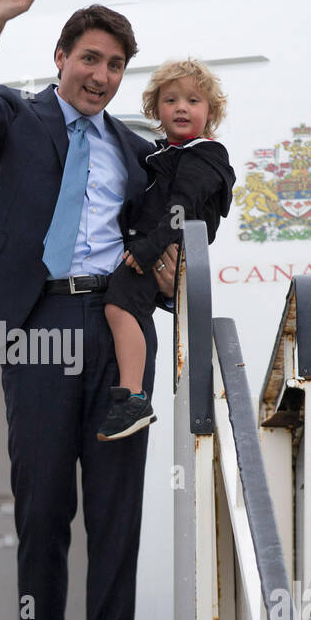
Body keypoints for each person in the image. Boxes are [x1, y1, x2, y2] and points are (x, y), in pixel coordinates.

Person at [0, 0, 178, 620]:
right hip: (39, 328)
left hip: (116, 330)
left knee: (116, 515)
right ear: (61, 59)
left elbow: (173, 226)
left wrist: (169, 268)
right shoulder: (14, 119)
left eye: (114, 65)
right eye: (89, 59)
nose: (100, 76)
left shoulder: (140, 154)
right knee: (43, 513)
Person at [98, 60, 236, 440]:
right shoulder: (168, 153)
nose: (181, 107)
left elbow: (182, 207)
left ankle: (133, 397)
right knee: (122, 308)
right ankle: (131, 393)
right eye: (170, 100)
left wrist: (146, 250)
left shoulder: (204, 154)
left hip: (164, 249)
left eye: (193, 100)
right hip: (157, 248)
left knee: (118, 304)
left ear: (210, 112)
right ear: (155, 110)